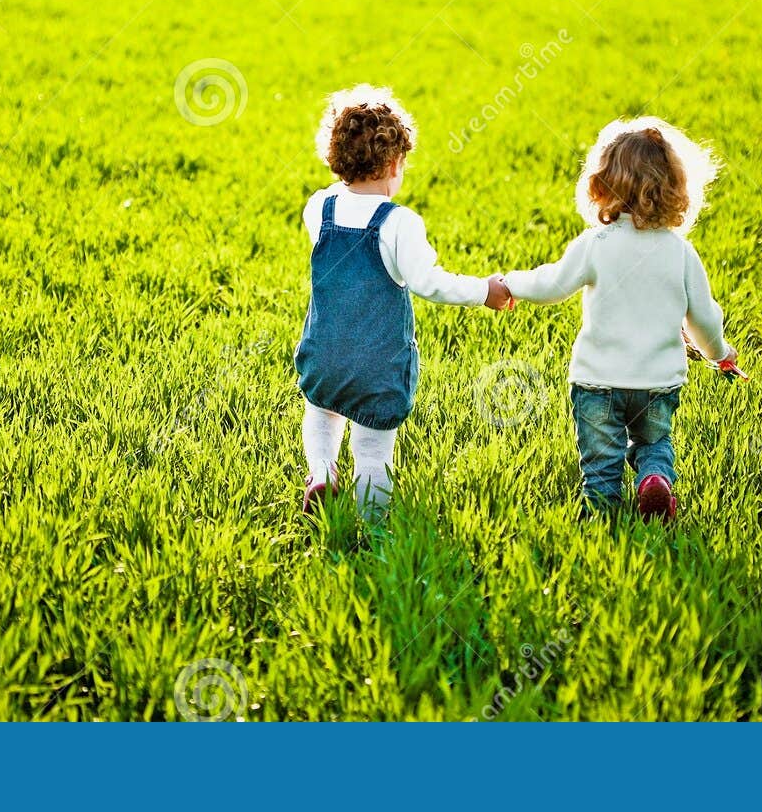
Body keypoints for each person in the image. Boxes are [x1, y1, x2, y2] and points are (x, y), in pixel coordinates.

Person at [500, 118, 737, 521]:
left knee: (601, 463)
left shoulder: (596, 243)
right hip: (656, 384)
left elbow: (552, 284)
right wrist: (720, 354)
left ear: (601, 185)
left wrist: (510, 284)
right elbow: (704, 316)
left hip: (598, 381)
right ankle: (654, 478)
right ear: (674, 187)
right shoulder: (680, 252)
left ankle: (602, 516)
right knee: (653, 442)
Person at [295, 84, 512, 516]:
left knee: (320, 414)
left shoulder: (319, 208)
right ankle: (372, 526)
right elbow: (429, 283)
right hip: (377, 365)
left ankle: (321, 471)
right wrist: (483, 290)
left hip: (325, 353)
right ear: (394, 164)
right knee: (373, 449)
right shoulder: (398, 223)